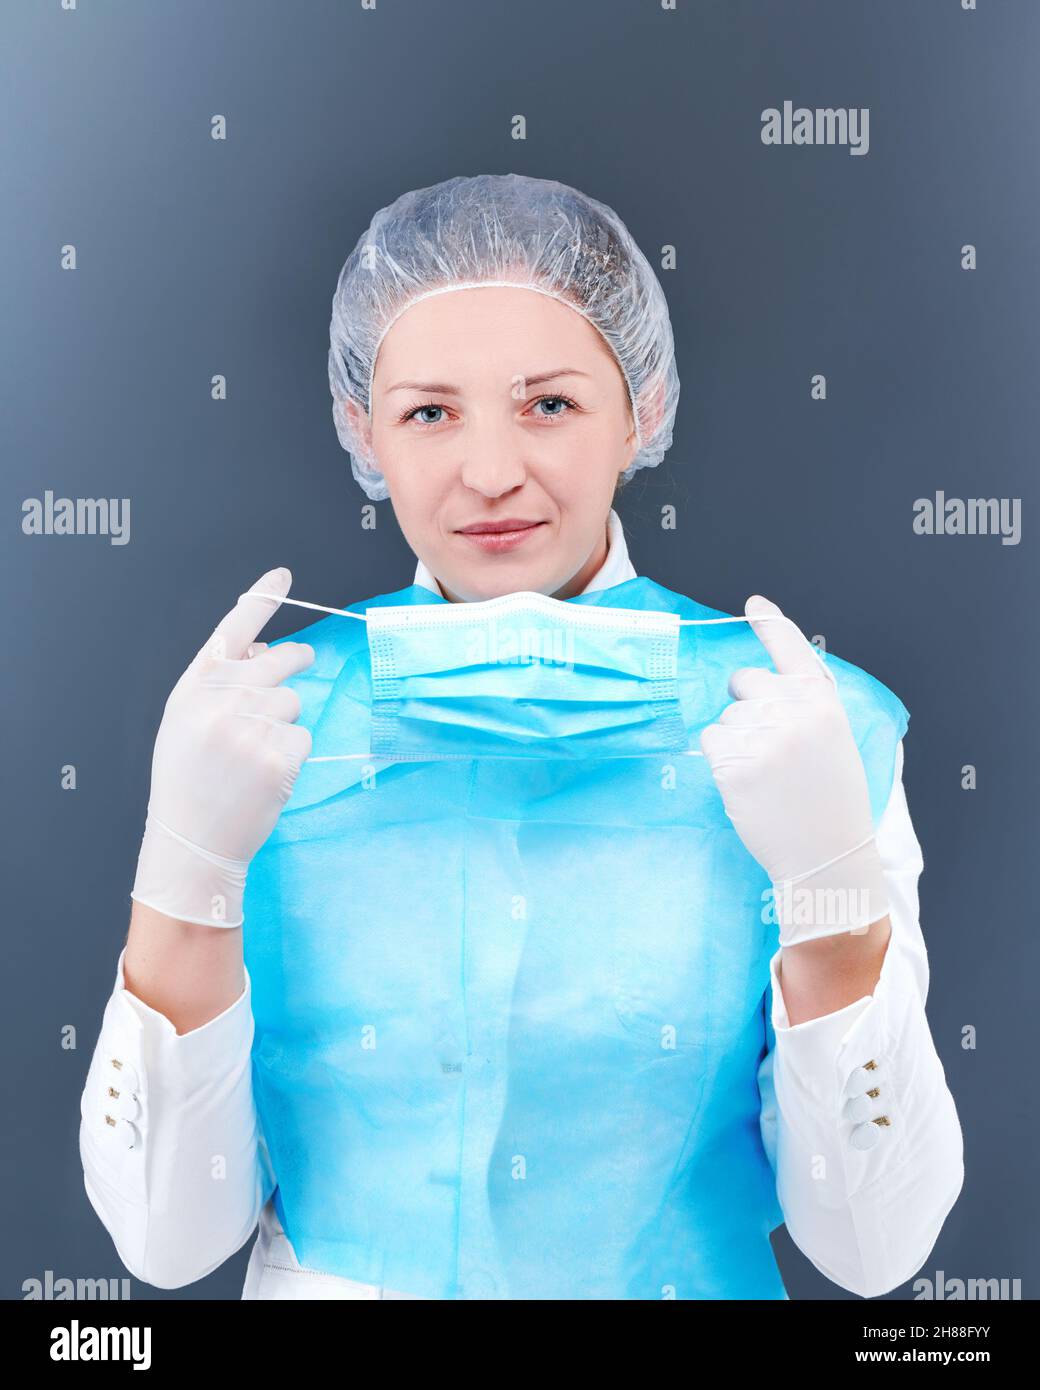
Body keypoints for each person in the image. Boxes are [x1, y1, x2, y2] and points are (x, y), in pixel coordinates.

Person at [79, 173, 963, 1300]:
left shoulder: (802, 725)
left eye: (547, 403)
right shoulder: (261, 730)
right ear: (363, 427)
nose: (489, 472)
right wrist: (182, 876)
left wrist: (832, 900)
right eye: (428, 412)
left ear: (638, 406)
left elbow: (873, 1251)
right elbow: (165, 1243)